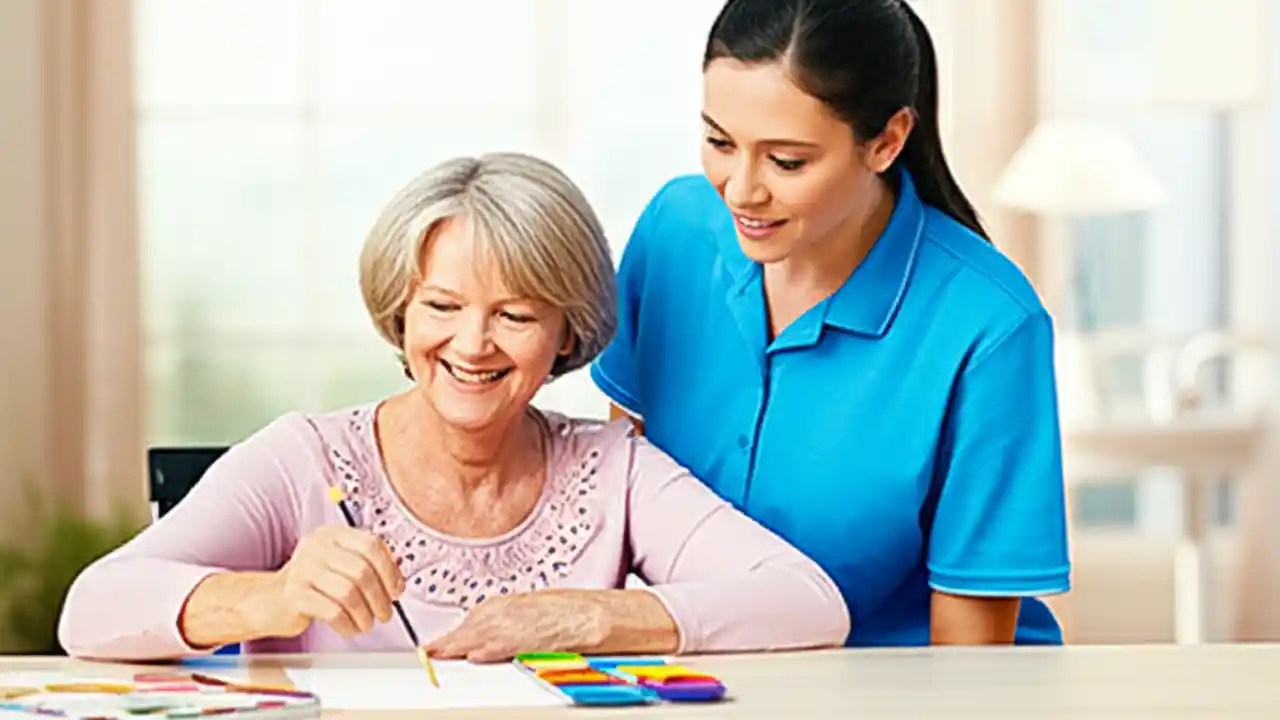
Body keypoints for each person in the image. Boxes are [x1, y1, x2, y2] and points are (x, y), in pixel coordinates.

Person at [58, 152, 849, 661]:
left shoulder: (612, 467)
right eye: (441, 306)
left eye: (515, 315)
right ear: (399, 314)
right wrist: (269, 594)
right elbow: (89, 612)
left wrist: (593, 619)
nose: (473, 345)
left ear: (567, 333)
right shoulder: (302, 459)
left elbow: (808, 602)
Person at [590, 0, 1070, 646]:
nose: (739, 189)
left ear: (888, 141)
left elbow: (970, 669)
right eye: (719, 142)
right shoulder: (675, 233)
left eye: (786, 161)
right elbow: (622, 498)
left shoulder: (989, 328)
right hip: (708, 676)